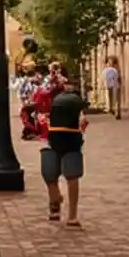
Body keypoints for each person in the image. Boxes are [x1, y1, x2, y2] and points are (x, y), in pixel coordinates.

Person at [40, 77, 89, 229]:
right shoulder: (73, 104)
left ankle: (64, 210)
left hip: (63, 140)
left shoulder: (56, 102)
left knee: (54, 173)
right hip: (64, 139)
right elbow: (83, 123)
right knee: (55, 173)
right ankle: (62, 208)